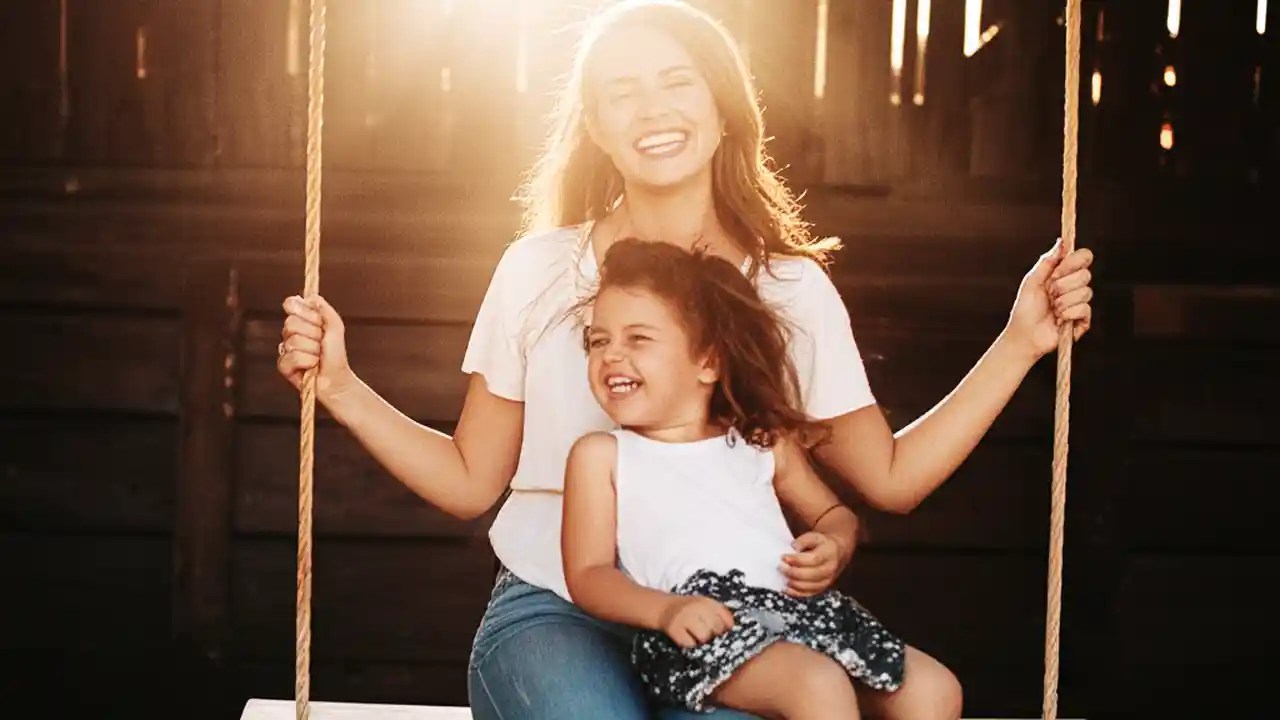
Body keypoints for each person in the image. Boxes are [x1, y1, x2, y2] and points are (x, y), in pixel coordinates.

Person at [274, 1, 1095, 717]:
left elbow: (889, 479)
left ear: (723, 107)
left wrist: (1022, 341)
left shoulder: (788, 289)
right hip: (554, 611)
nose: (651, 109)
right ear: (594, 125)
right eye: (620, 93)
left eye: (677, 81)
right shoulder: (539, 269)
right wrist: (342, 388)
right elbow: (467, 481)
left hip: (729, 622)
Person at [562, 237, 909, 719]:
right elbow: (588, 576)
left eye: (637, 338)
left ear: (708, 361)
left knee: (934, 691)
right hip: (700, 632)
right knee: (818, 687)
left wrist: (835, 543)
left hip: (799, 619)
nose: (611, 355)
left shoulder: (759, 442)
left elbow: (834, 515)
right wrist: (665, 611)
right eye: (598, 341)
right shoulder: (604, 456)